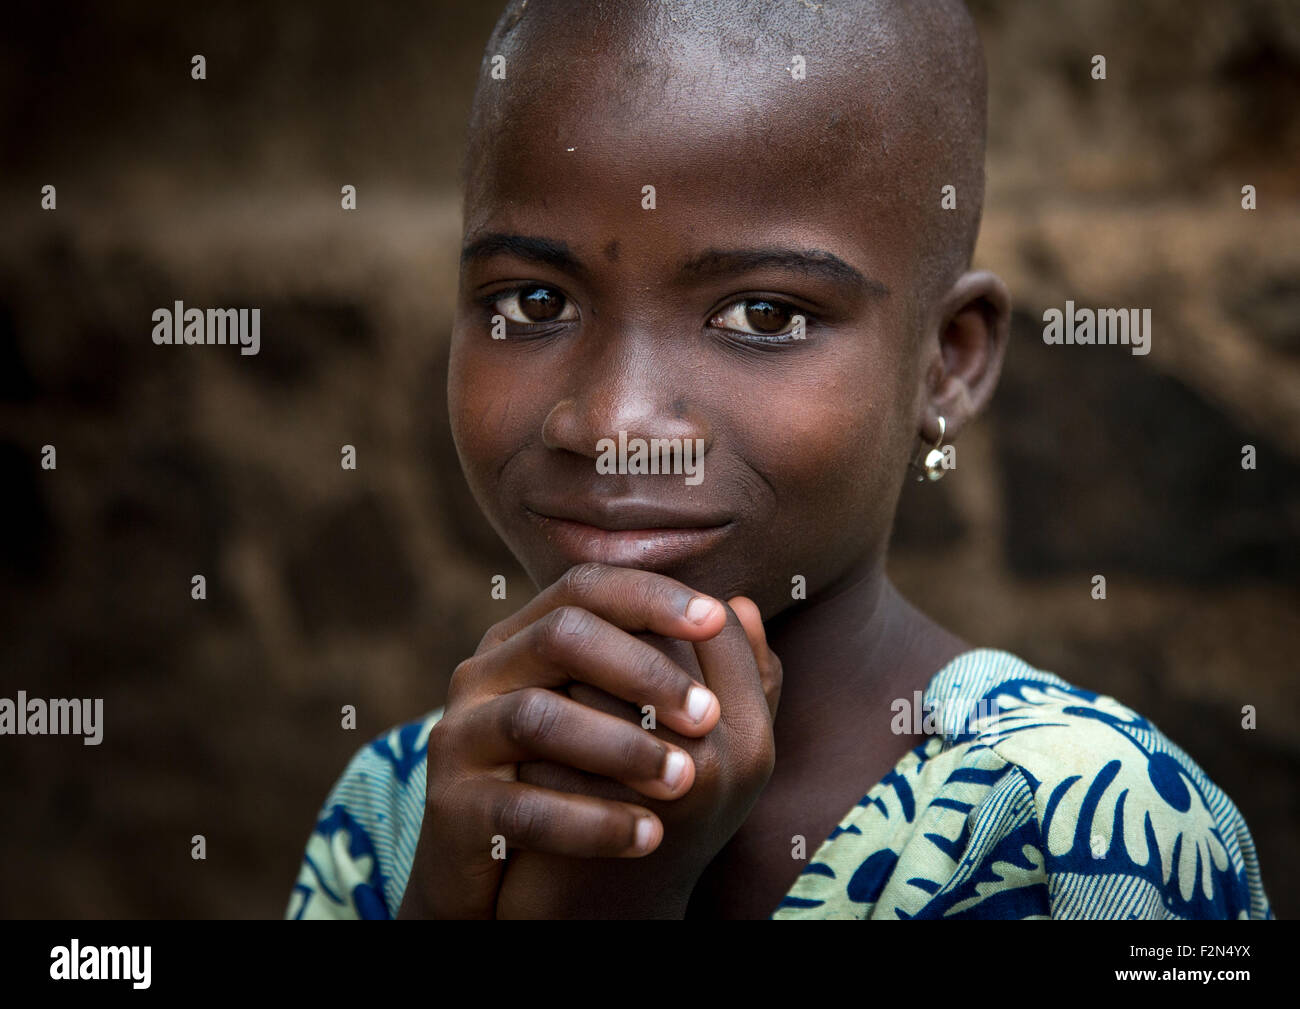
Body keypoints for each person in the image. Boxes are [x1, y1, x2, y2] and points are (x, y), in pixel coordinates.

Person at [286, 0, 1272, 919]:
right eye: (532, 303)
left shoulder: (1095, 838)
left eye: (764, 314)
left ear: (947, 362)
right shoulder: (399, 811)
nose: (615, 422)